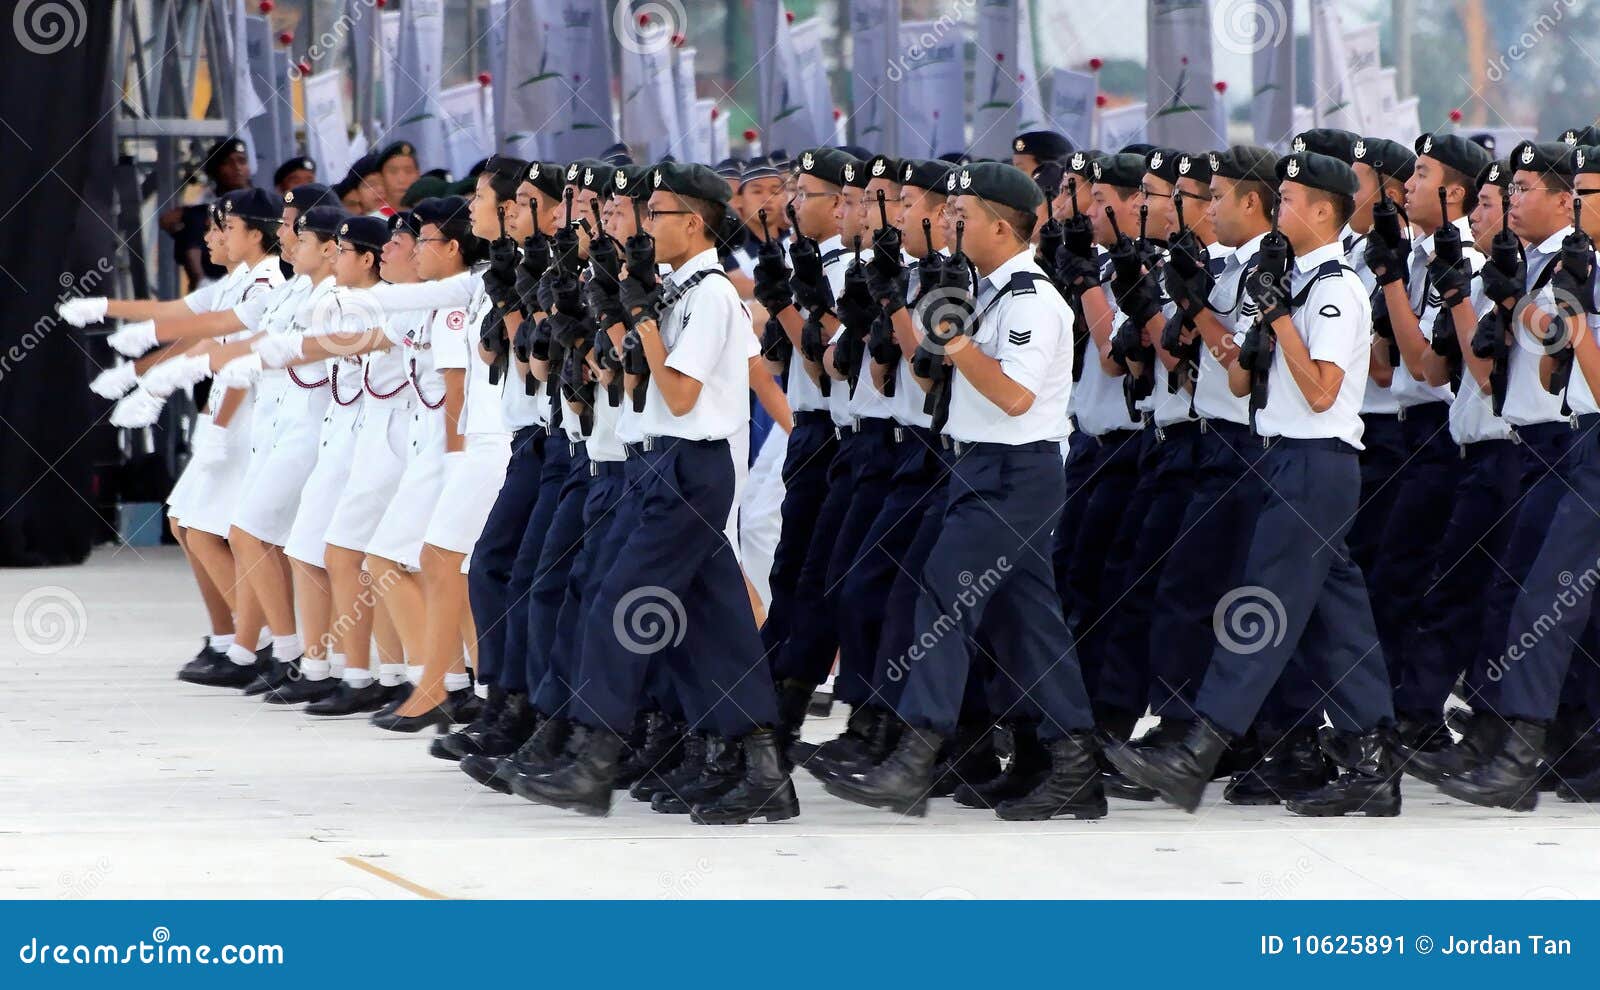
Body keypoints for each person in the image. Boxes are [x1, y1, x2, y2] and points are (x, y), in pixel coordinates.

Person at [1108, 150, 1399, 818]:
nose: (1279, 208)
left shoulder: (1332, 287)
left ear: (1323, 210)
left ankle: (1198, 749)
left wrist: (1280, 319)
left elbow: (1323, 391)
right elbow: (1241, 378)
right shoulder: (1293, 281)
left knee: (1259, 612)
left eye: (1290, 198)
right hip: (1286, 459)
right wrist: (1208, 307)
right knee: (1337, 620)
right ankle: (1373, 760)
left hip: (1315, 456)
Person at [516, 162, 796, 824]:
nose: (645, 225)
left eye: (658, 213)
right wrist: (614, 322)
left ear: (692, 223)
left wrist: (641, 322)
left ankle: (594, 760)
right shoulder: (675, 289)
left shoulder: (711, 295)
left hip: (689, 468)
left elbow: (679, 392)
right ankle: (761, 769)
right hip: (657, 462)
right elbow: (632, 386)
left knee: (619, 603)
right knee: (712, 625)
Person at [825, 161, 1103, 821]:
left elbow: (1012, 394)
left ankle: (916, 753)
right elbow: (940, 384)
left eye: (965, 215)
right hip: (979, 466)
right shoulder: (989, 291)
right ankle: (1074, 763)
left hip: (1013, 469)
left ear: (1002, 227)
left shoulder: (1034, 298)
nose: (952, 224)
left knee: (941, 598)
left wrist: (953, 338)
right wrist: (929, 328)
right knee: (1025, 623)